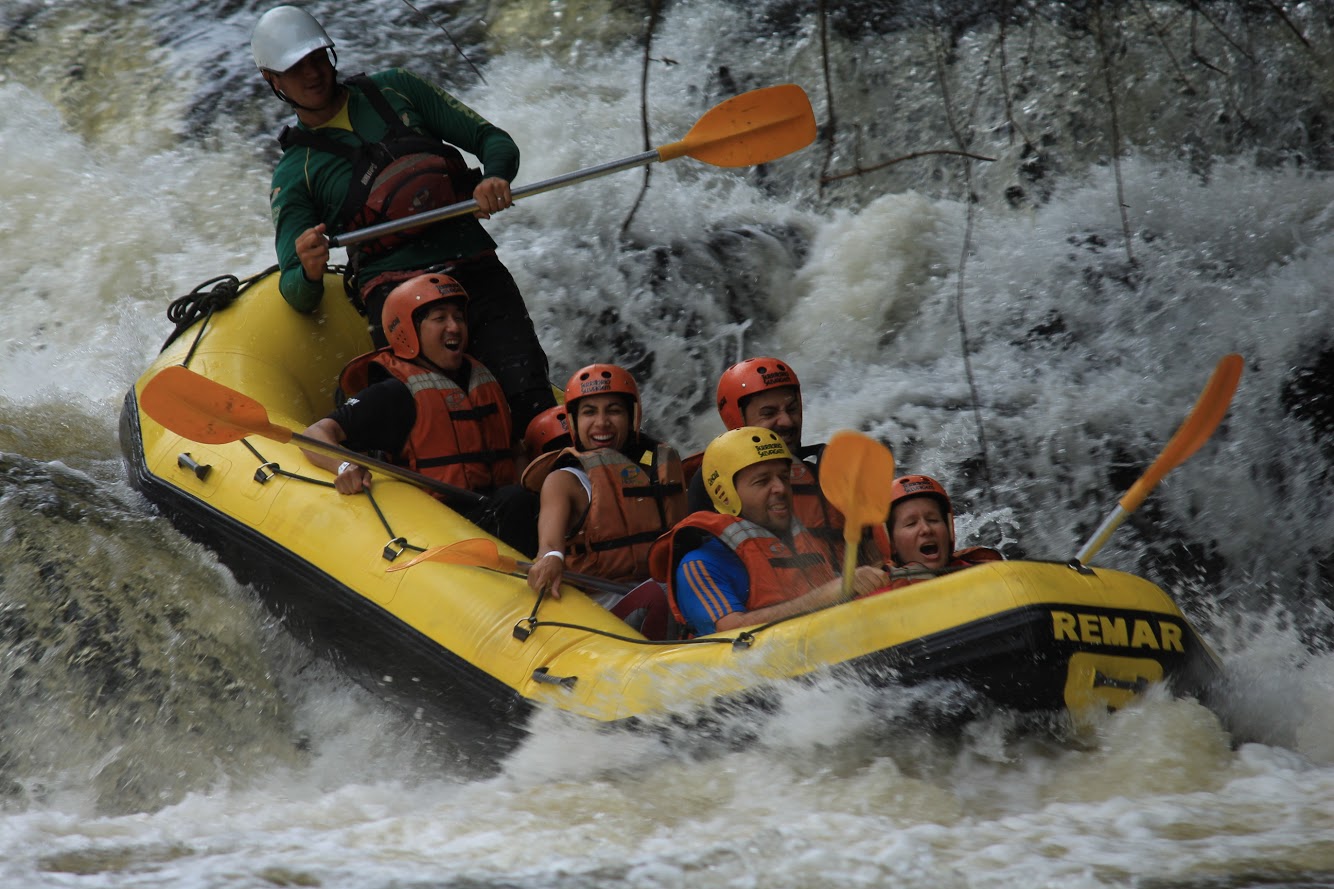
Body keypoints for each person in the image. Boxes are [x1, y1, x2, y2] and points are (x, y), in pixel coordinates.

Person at [252, 5, 555, 434]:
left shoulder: (398, 89)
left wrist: (494, 177)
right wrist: (310, 269)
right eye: (296, 68)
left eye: (318, 58)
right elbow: (295, 290)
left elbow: (492, 140)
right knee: (445, 426)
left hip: (475, 271)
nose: (314, 73)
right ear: (272, 80)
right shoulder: (295, 173)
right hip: (399, 298)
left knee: (529, 399)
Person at [299, 273, 517, 502]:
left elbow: (514, 452)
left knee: (518, 500)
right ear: (409, 331)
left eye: (459, 317)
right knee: (515, 501)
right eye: (440, 318)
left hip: (498, 506)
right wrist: (344, 466)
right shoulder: (395, 393)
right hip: (444, 518)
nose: (454, 327)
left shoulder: (481, 377)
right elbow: (313, 435)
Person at [649, 427, 887, 636]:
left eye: (784, 477)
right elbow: (732, 630)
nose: (781, 488)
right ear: (725, 494)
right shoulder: (699, 564)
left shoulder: (802, 543)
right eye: (762, 481)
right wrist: (828, 594)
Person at [521, 365, 687, 605]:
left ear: (632, 417)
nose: (602, 422)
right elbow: (549, 544)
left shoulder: (656, 466)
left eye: (614, 411)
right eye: (589, 412)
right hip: (604, 605)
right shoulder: (563, 481)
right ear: (574, 422)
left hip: (665, 587)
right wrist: (551, 557)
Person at [685, 356, 865, 558]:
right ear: (737, 420)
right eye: (769, 413)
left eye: (792, 409)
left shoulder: (826, 465)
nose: (786, 421)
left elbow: (873, 547)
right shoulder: (711, 484)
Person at [870, 474, 1003, 593]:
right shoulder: (874, 589)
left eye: (933, 520)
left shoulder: (988, 571)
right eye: (911, 524)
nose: (926, 529)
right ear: (891, 542)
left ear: (949, 529)